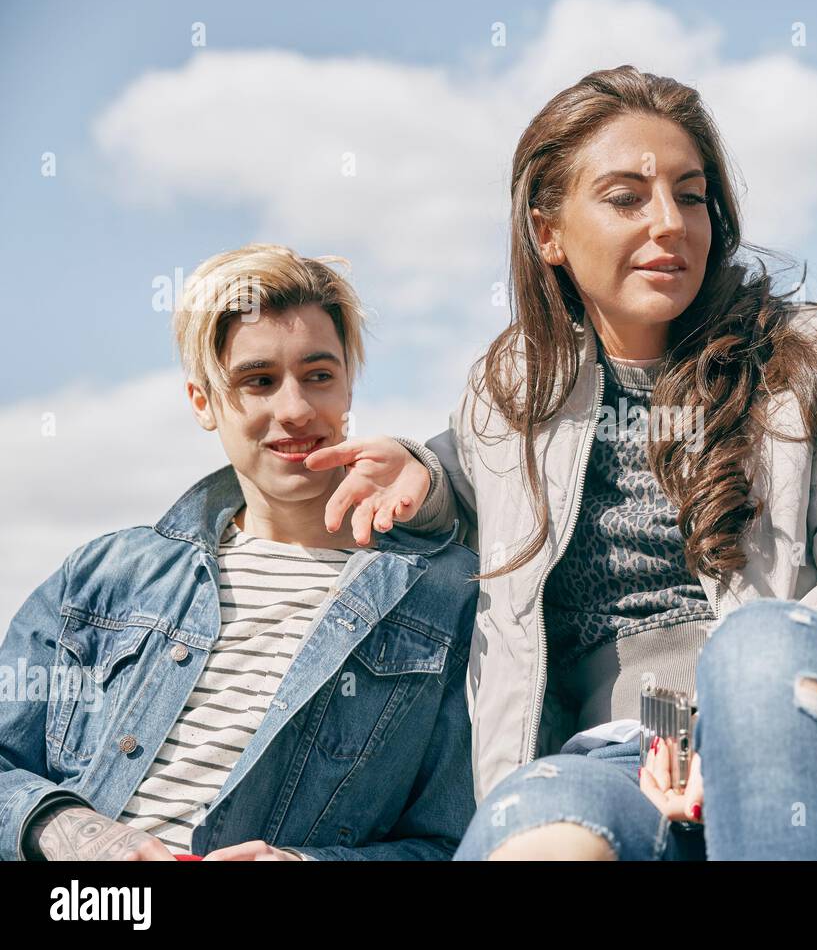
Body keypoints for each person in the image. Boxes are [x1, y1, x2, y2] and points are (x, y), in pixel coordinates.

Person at [310, 66, 817, 860]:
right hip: (611, 755)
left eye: (690, 195)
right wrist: (426, 477)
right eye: (625, 198)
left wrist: (731, 716)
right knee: (537, 839)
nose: (670, 223)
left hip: (801, 733)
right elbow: (472, 476)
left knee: (764, 655)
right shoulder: (513, 388)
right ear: (547, 232)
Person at [0, 244, 477, 861]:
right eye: (258, 381)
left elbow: (458, 843)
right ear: (203, 402)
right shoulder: (103, 575)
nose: (296, 410)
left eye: (319, 375)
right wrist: (72, 834)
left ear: (348, 385)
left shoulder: (448, 593)